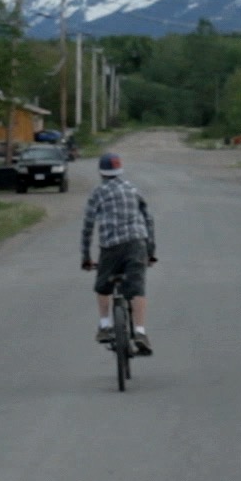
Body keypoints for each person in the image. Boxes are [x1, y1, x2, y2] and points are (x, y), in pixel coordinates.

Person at [80, 151, 156, 355]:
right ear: (120, 169)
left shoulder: (98, 193)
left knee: (103, 286)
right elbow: (149, 220)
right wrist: (150, 251)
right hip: (136, 243)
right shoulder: (133, 189)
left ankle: (105, 325)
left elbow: (88, 227)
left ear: (101, 171)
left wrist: (86, 257)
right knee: (137, 288)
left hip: (111, 247)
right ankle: (140, 332)